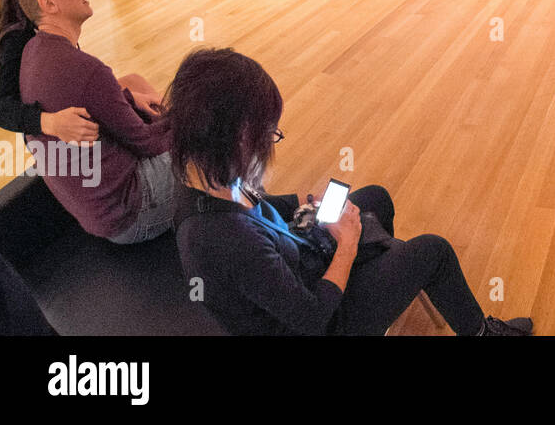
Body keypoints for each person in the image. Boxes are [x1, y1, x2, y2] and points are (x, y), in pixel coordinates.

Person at [169, 47, 532, 336]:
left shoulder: (208, 175)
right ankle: (481, 332)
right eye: (269, 133)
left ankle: (378, 280)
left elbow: (257, 207)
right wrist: (346, 247)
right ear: (240, 137)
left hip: (298, 268)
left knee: (376, 198)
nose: (271, 141)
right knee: (433, 252)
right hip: (317, 319)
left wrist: (304, 201)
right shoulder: (224, 240)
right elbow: (312, 320)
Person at [17, 0, 174, 243]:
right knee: (217, 131)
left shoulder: (33, 52)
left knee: (136, 84)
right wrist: (185, 122)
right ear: (48, 3)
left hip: (98, 215)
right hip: (133, 216)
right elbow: (148, 143)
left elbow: (100, 103)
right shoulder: (85, 70)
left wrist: (135, 102)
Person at [0, 0, 97, 144]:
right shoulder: (17, 39)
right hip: (57, 136)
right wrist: (49, 123)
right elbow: (1, 106)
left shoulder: (48, 27)